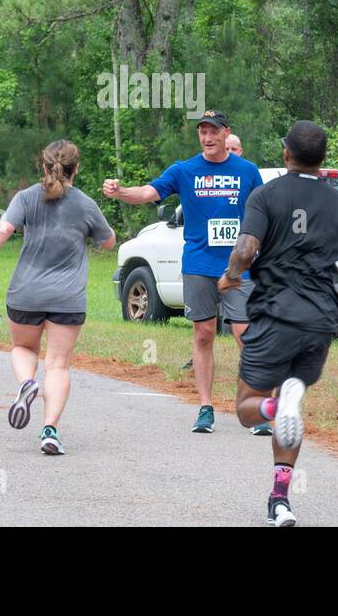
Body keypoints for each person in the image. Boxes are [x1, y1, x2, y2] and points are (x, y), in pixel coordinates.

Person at [219, 121, 338, 526]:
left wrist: (232, 276)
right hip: (321, 322)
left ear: (286, 152)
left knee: (247, 408)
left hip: (274, 315)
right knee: (294, 407)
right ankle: (280, 501)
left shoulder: (265, 195)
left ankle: (275, 404)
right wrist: (337, 296)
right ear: (323, 159)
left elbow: (247, 248)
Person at [103, 111, 263, 434]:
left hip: (237, 268)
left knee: (245, 335)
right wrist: (121, 191)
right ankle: (205, 408)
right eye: (202, 132)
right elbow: (149, 193)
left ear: (226, 133)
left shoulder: (247, 172)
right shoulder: (185, 170)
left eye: (213, 132)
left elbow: (262, 213)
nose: (207, 138)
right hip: (198, 265)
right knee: (203, 334)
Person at [0, 140, 115, 455]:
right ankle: (49, 430)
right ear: (76, 168)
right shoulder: (85, 204)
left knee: (23, 347)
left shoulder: (25, 198)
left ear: (44, 166)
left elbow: (2, 230)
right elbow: (108, 243)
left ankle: (26, 383)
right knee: (58, 364)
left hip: (25, 293)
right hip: (67, 298)